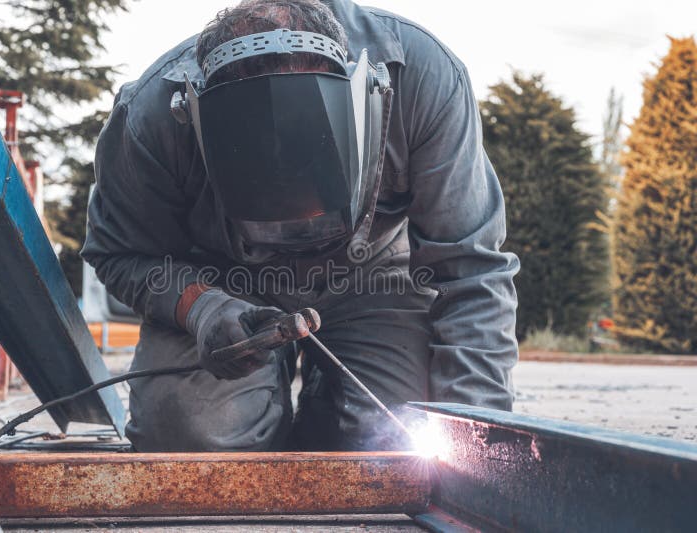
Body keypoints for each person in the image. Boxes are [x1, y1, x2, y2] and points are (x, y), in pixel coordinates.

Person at [82, 0, 520, 452]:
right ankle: (260, 408)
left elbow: (471, 269)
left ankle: (326, 408)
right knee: (189, 437)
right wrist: (200, 308)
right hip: (223, 281)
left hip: (375, 278)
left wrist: (477, 443)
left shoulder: (422, 77)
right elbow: (118, 253)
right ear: (199, 121)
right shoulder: (150, 118)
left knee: (401, 438)